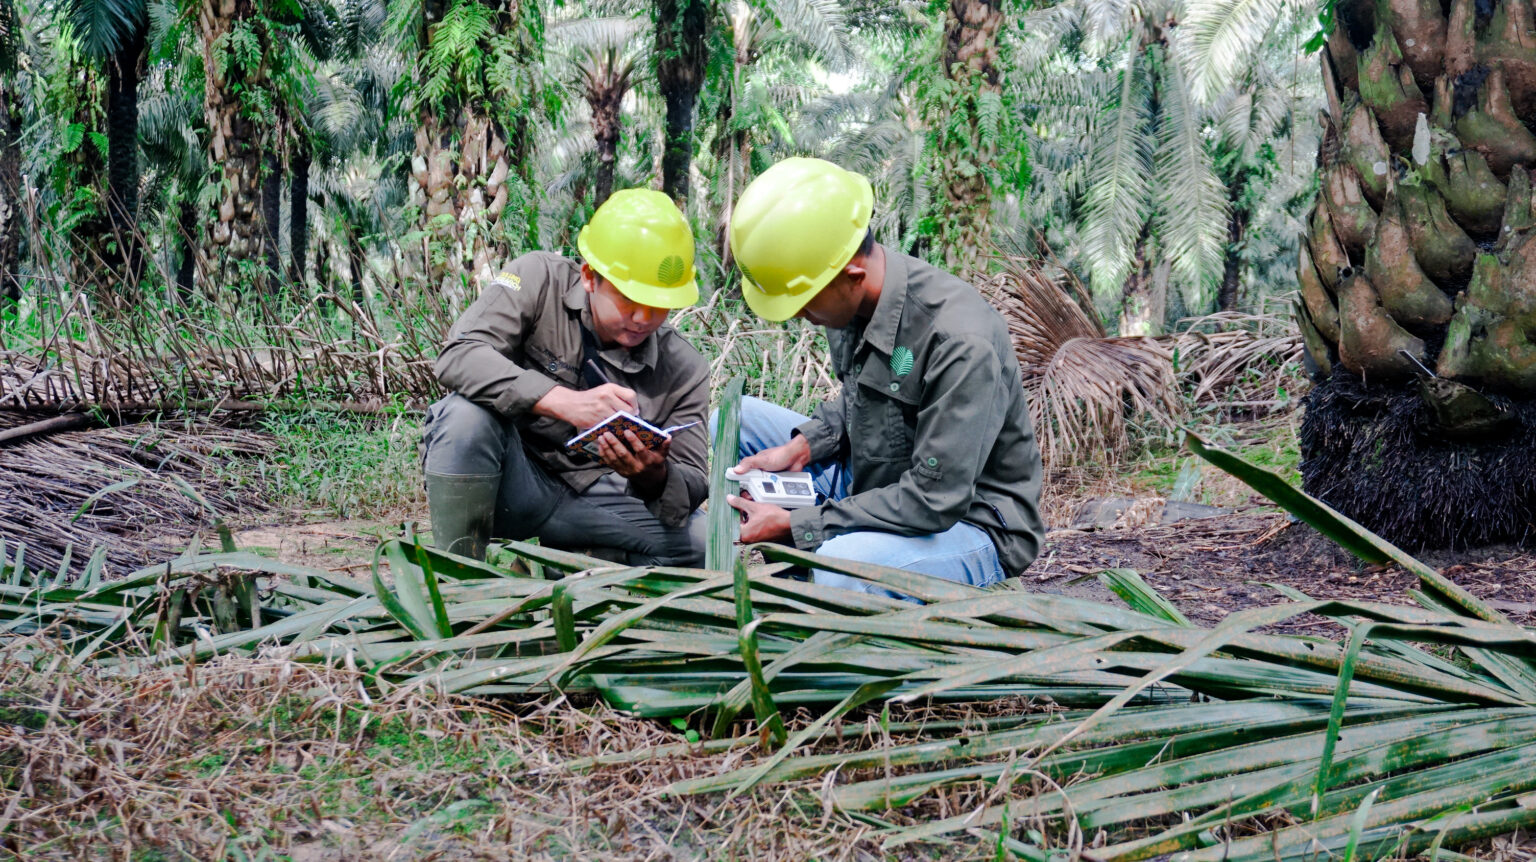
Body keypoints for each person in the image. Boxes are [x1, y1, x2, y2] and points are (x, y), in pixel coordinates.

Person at [724, 157, 1045, 597]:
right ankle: (800, 578)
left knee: (846, 567)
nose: (799, 316)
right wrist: (804, 447)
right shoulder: (849, 307)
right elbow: (863, 398)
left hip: (965, 523)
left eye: (803, 303)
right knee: (741, 418)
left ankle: (828, 580)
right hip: (875, 480)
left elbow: (933, 500)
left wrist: (802, 525)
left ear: (851, 276)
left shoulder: (959, 342)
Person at [423, 189, 710, 566]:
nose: (644, 318)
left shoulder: (685, 368)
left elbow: (693, 481)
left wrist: (653, 475)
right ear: (590, 277)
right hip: (510, 480)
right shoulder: (538, 279)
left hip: (593, 497)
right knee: (463, 417)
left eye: (659, 306)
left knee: (704, 543)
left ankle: (572, 562)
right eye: (629, 299)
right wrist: (567, 403)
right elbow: (459, 354)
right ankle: (458, 578)